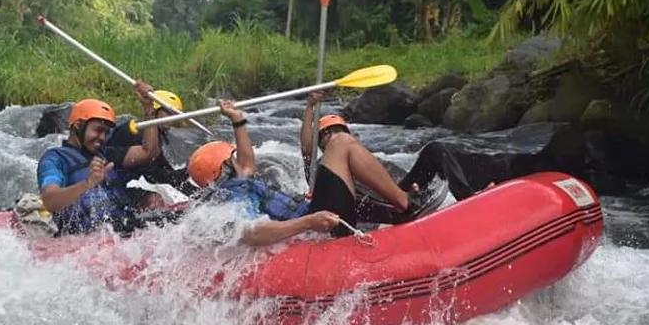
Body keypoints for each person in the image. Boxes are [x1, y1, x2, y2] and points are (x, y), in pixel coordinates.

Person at [187, 100, 418, 246]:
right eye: (233, 157)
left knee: (341, 145)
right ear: (225, 167)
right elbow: (250, 233)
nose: (241, 159)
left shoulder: (240, 181)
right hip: (317, 228)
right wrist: (308, 222)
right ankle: (406, 204)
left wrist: (237, 120)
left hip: (315, 216)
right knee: (341, 144)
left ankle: (399, 208)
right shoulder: (233, 197)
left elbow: (247, 161)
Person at [300, 92, 456, 224]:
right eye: (328, 133)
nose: (336, 136)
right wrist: (309, 107)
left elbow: (393, 181)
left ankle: (469, 199)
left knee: (435, 150)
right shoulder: (321, 169)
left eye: (339, 131)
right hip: (363, 212)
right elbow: (307, 150)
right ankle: (408, 206)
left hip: (392, 199)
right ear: (319, 143)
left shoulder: (360, 157)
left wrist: (412, 188)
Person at [36, 81, 163, 235]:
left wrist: (149, 108)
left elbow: (149, 153)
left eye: (106, 132)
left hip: (122, 228)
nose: (102, 137)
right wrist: (87, 183)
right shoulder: (54, 158)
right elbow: (50, 201)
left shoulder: (106, 154)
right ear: (77, 126)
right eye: (98, 130)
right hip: (83, 237)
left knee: (162, 205)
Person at [104, 89, 199, 197]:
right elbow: (154, 175)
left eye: (173, 115)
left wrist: (196, 193)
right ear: (155, 111)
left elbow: (165, 170)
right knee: (154, 200)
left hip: (121, 182)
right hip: (108, 181)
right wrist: (189, 170)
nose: (171, 119)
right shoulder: (139, 133)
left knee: (157, 199)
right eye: (167, 113)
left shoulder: (154, 135)